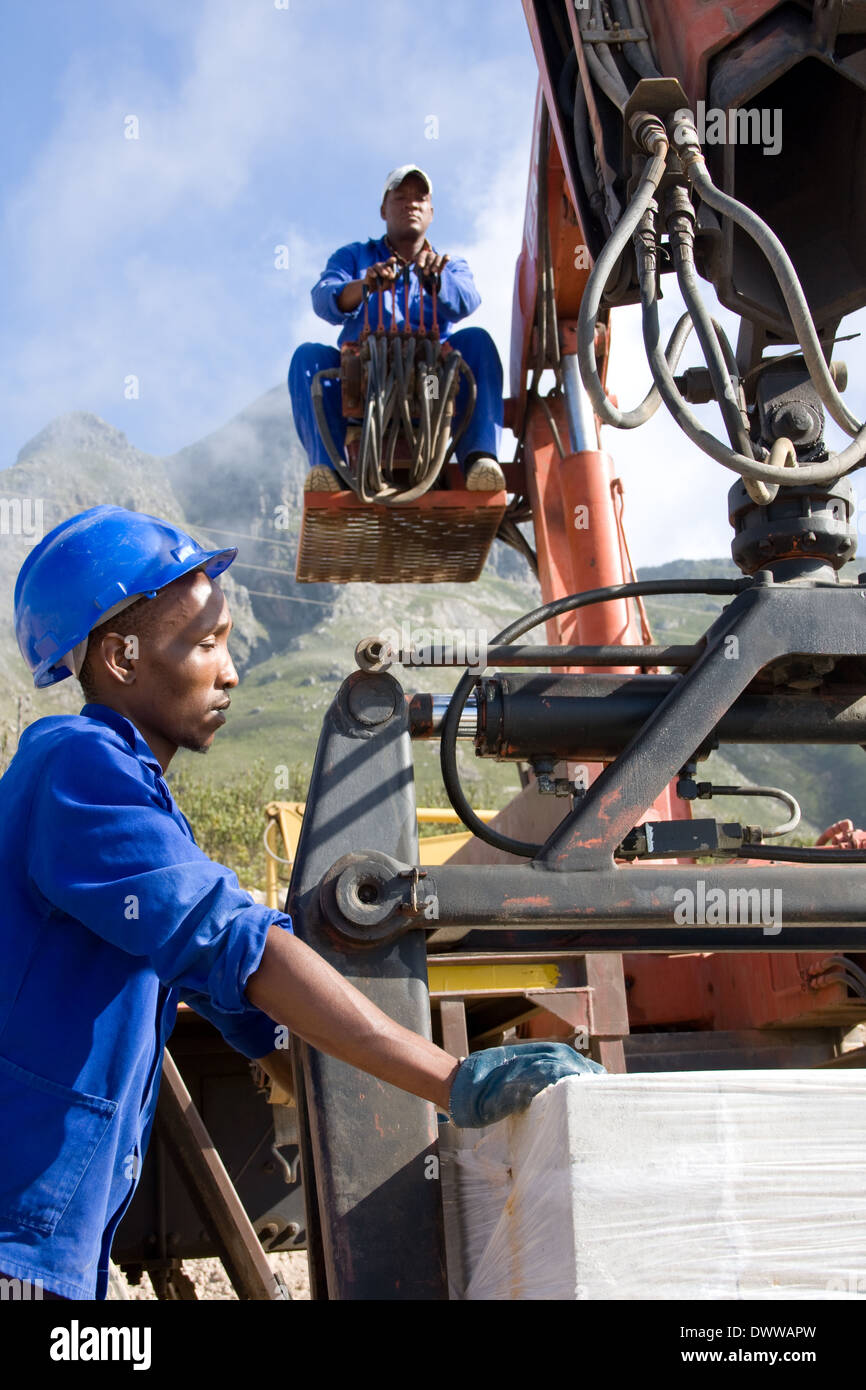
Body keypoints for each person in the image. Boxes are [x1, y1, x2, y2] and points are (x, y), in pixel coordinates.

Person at [0, 505, 601, 1299]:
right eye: (205, 644)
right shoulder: (76, 767)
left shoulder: (127, 791)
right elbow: (228, 943)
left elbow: (208, 975)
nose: (231, 671)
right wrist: (452, 1081)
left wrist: (290, 1058)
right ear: (120, 656)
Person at [289, 165, 507, 492]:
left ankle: (480, 460)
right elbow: (323, 298)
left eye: (420, 198)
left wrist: (439, 281)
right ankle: (328, 471)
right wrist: (364, 285)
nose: (411, 204)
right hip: (364, 383)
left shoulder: (449, 264)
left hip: (432, 384)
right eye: (400, 197)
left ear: (431, 212)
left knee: (477, 342)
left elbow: (467, 300)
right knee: (308, 358)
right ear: (383, 210)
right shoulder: (354, 256)